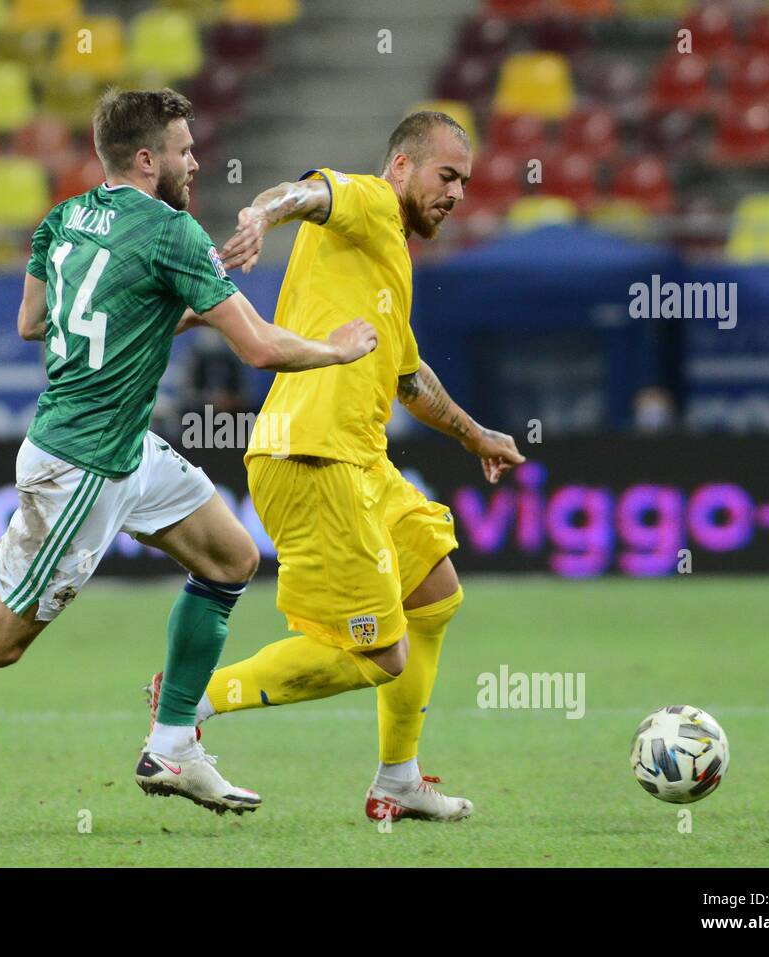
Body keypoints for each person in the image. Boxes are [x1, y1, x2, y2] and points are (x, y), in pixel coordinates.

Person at [0, 88, 377, 816]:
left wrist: (184, 303)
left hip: (120, 448)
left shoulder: (63, 219)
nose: (196, 159)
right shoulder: (174, 233)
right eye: (183, 149)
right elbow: (264, 347)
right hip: (81, 466)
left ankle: (173, 746)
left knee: (232, 557)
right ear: (147, 160)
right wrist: (337, 348)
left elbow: (32, 323)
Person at [149, 111, 525, 822]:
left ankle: (398, 778)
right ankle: (191, 699)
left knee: (435, 591)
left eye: (467, 183)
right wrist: (262, 212)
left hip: (362, 459)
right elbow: (311, 191)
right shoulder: (372, 201)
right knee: (379, 653)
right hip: (311, 453)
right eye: (448, 176)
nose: (457, 193)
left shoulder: (384, 262)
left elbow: (409, 376)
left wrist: (476, 436)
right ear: (404, 167)